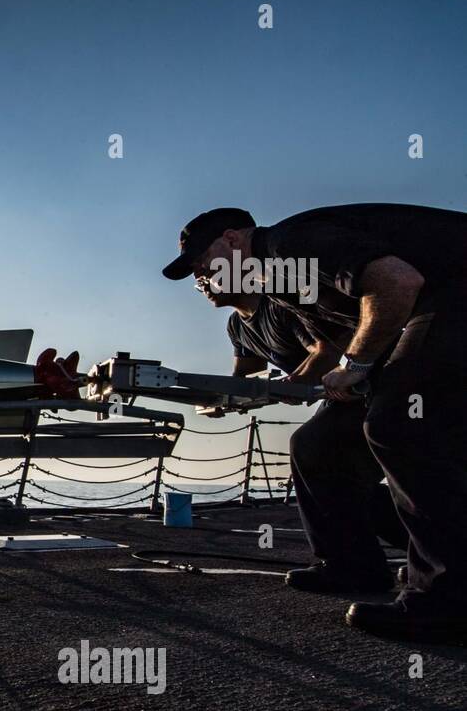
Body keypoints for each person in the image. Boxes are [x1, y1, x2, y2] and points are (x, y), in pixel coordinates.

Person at [162, 204, 467, 639]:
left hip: (453, 295)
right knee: (320, 444)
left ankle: (450, 600)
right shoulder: (278, 281)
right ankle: (351, 567)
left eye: (202, 264)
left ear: (232, 240)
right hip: (430, 312)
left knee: (402, 423)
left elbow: (397, 283)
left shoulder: (290, 243)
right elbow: (338, 334)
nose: (202, 277)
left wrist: (356, 366)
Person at [192, 233, 406, 591]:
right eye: (199, 283)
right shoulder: (238, 327)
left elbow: (329, 346)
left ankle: (355, 567)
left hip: (384, 379)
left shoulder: (283, 301)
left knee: (316, 452)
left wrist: (295, 381)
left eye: (207, 274)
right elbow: (244, 379)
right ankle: (420, 550)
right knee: (335, 474)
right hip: (345, 397)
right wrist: (213, 401)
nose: (204, 284)